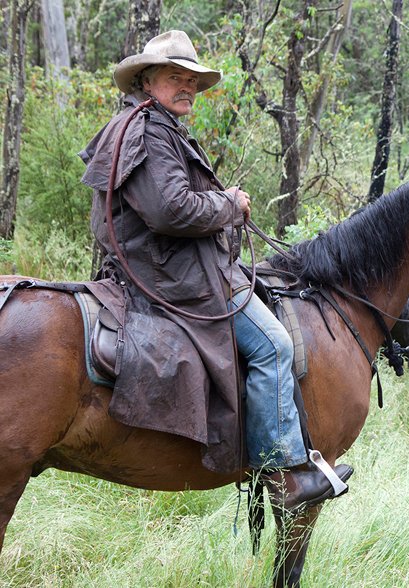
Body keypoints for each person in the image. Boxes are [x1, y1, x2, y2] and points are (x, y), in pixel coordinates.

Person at [79, 30, 350, 513]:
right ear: (146, 80)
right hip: (173, 275)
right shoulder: (149, 131)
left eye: (191, 79)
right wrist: (230, 203)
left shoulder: (149, 125)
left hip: (164, 265)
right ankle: (282, 474)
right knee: (274, 344)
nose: (186, 87)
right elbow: (171, 210)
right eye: (174, 77)